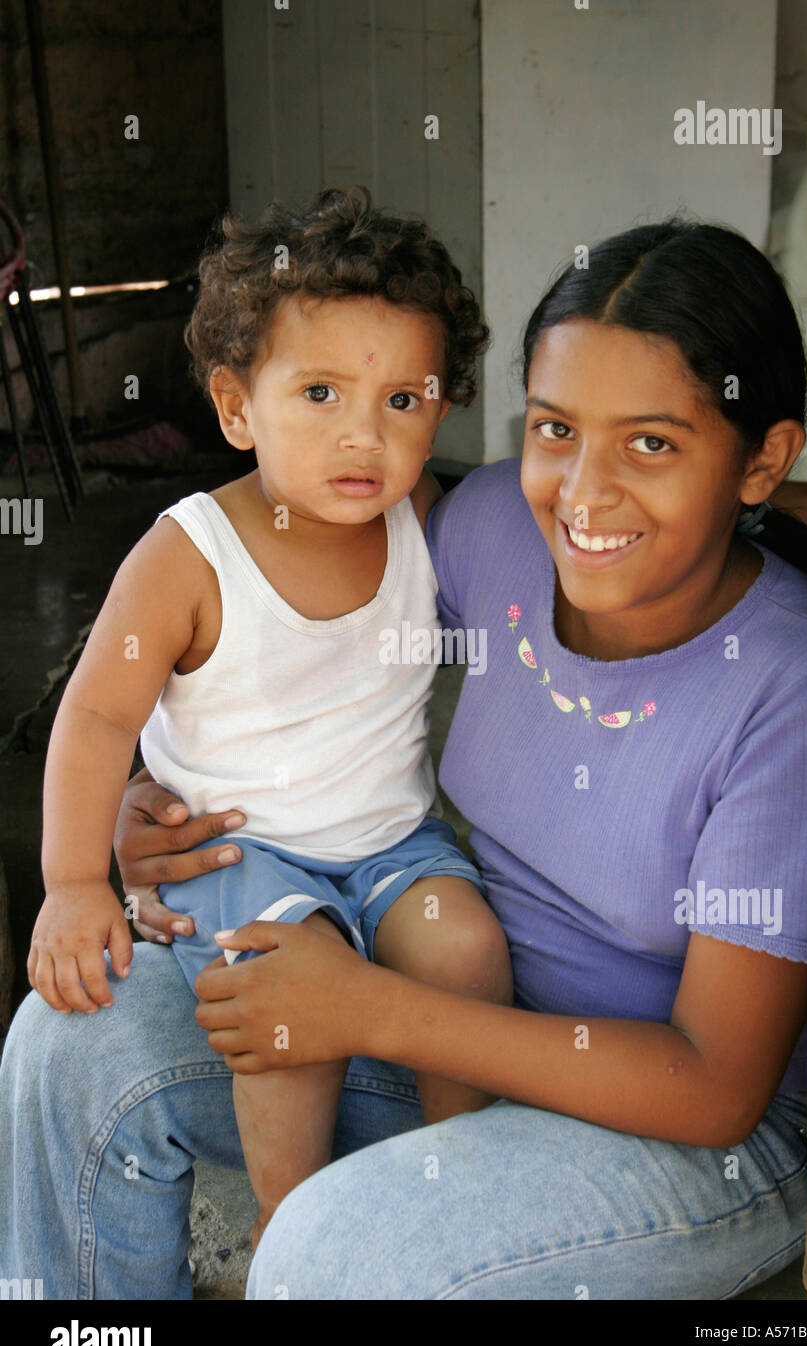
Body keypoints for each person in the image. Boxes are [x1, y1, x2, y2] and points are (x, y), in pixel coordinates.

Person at [0, 217, 807, 1300]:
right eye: (552, 428)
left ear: (760, 458)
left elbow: (717, 1087)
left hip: (669, 1126)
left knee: (331, 1252)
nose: (581, 492)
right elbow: (289, 634)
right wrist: (154, 795)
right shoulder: (488, 529)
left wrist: (368, 1010)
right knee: (73, 1045)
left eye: (652, 443)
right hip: (454, 1039)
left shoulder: (780, 682)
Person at [25, 187, 512, 1249]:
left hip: (391, 843)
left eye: (402, 401)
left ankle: (452, 1197)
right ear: (238, 408)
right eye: (322, 392)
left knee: (468, 949)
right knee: (287, 1011)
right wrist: (72, 881)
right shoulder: (190, 552)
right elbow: (98, 716)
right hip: (236, 855)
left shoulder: (424, 519)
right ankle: (298, 1236)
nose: (362, 436)